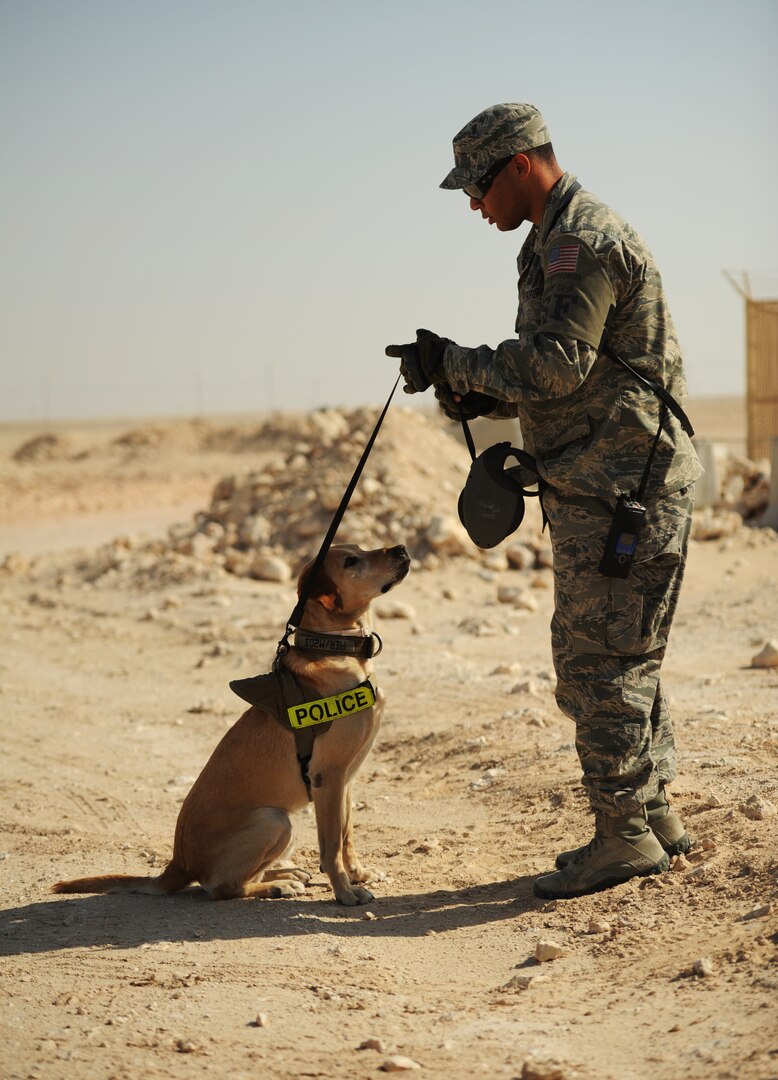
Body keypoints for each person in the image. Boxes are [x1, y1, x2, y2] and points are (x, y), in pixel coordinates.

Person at [386, 102, 703, 900]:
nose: (473, 203)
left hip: (621, 489)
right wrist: (469, 389)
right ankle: (648, 815)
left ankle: (625, 833)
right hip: (607, 480)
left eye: (479, 185)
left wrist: (458, 359)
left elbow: (558, 365)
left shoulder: (577, 242)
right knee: (622, 655)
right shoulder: (554, 239)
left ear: (520, 165)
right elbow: (577, 375)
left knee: (601, 662)